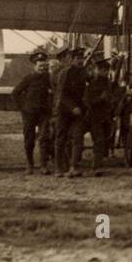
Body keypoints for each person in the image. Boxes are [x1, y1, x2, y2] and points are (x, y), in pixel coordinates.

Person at [11, 51, 53, 174]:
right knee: (29, 139)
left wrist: (50, 106)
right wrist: (22, 108)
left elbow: (54, 91)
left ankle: (43, 166)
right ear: (34, 66)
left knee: (44, 138)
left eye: (44, 66)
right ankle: (30, 165)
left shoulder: (48, 78)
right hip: (29, 113)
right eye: (40, 66)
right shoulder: (28, 78)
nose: (42, 68)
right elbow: (15, 93)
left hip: (43, 113)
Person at [53, 47, 88, 177]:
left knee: (78, 137)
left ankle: (73, 166)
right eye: (78, 58)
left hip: (78, 111)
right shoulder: (64, 73)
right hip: (64, 110)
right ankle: (58, 168)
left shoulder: (83, 73)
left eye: (82, 58)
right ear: (71, 60)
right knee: (60, 138)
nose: (81, 61)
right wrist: (72, 107)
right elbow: (61, 94)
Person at [83, 54, 115, 174]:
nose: (106, 72)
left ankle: (98, 163)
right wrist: (100, 99)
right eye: (103, 70)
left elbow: (110, 97)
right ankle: (96, 167)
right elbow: (87, 101)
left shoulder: (107, 82)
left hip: (105, 116)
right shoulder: (92, 83)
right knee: (99, 140)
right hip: (93, 116)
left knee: (105, 139)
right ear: (98, 70)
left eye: (107, 70)